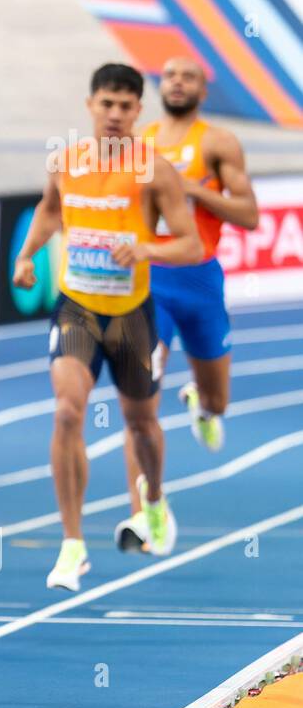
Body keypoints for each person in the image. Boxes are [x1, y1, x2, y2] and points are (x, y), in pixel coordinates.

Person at [12, 64, 202, 590]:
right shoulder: (66, 163)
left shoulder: (154, 172)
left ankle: (156, 499)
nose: (115, 114)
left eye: (126, 106)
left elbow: (191, 243)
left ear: (139, 111)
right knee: (68, 410)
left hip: (132, 315)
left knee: (141, 424)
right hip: (78, 309)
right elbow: (50, 213)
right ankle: (73, 544)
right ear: (91, 106)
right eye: (106, 104)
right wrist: (27, 255)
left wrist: (147, 247)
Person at [116, 57, 259, 551]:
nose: (176, 82)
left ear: (203, 88)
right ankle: (145, 512)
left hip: (200, 282)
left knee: (219, 398)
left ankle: (203, 404)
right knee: (139, 402)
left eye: (188, 76)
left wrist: (193, 189)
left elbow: (250, 215)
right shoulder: (140, 143)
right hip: (149, 281)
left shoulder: (218, 143)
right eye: (170, 75)